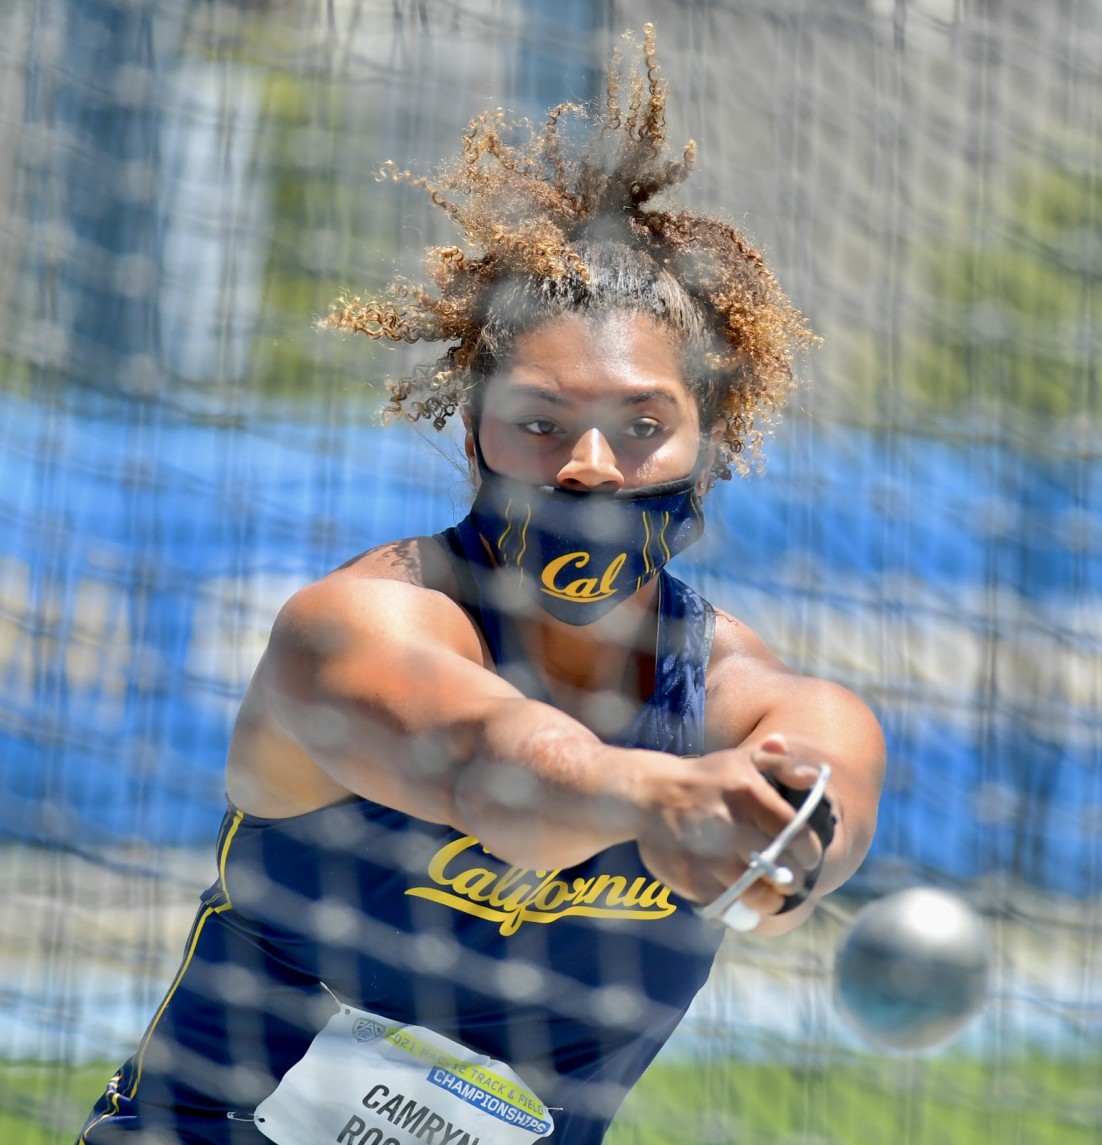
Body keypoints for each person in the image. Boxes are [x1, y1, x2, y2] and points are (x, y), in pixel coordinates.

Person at [79, 26, 885, 1145]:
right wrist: (658, 799)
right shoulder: (351, 627)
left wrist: (787, 842)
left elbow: (827, 787)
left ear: (716, 446)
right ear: (474, 439)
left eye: (643, 426)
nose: (589, 465)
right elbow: (487, 766)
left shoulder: (749, 702)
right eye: (542, 421)